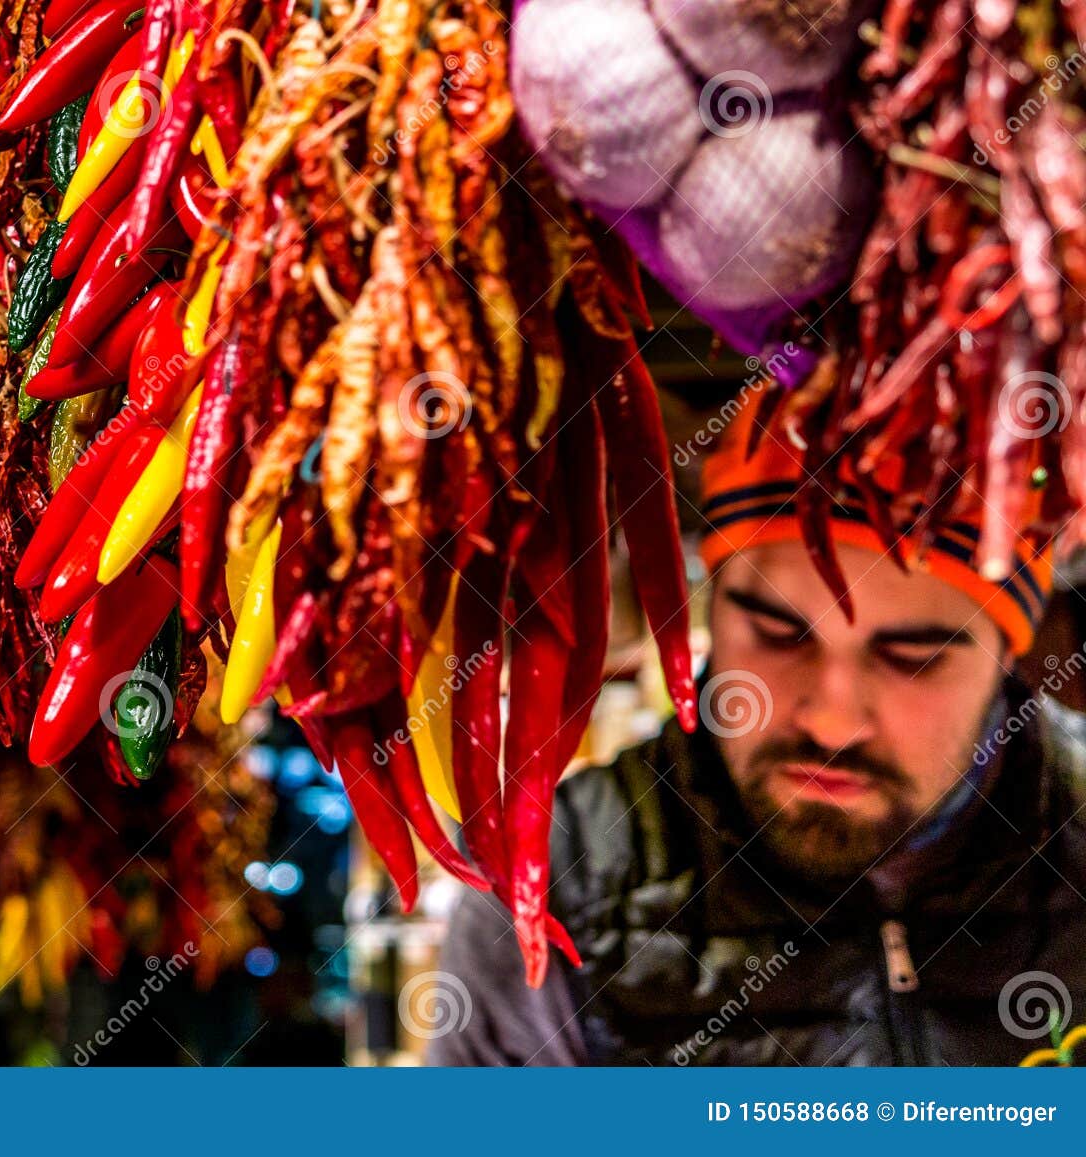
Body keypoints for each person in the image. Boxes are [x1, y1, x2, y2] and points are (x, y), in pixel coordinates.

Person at [428, 394, 1086, 1065]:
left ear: (1009, 657)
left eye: (912, 657)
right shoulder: (556, 885)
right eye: (777, 632)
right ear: (713, 604)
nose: (832, 718)